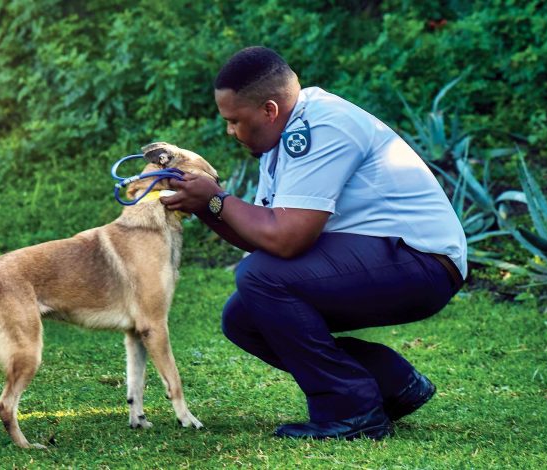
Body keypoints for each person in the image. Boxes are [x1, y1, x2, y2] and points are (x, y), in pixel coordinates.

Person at [159, 46, 467, 440]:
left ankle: (351, 411)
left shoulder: (323, 126)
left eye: (235, 121)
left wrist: (216, 199)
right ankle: (391, 383)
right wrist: (204, 205)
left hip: (423, 261)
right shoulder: (282, 140)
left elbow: (286, 240)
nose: (230, 131)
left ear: (269, 110)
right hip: (391, 257)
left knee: (259, 279)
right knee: (243, 317)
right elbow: (263, 238)